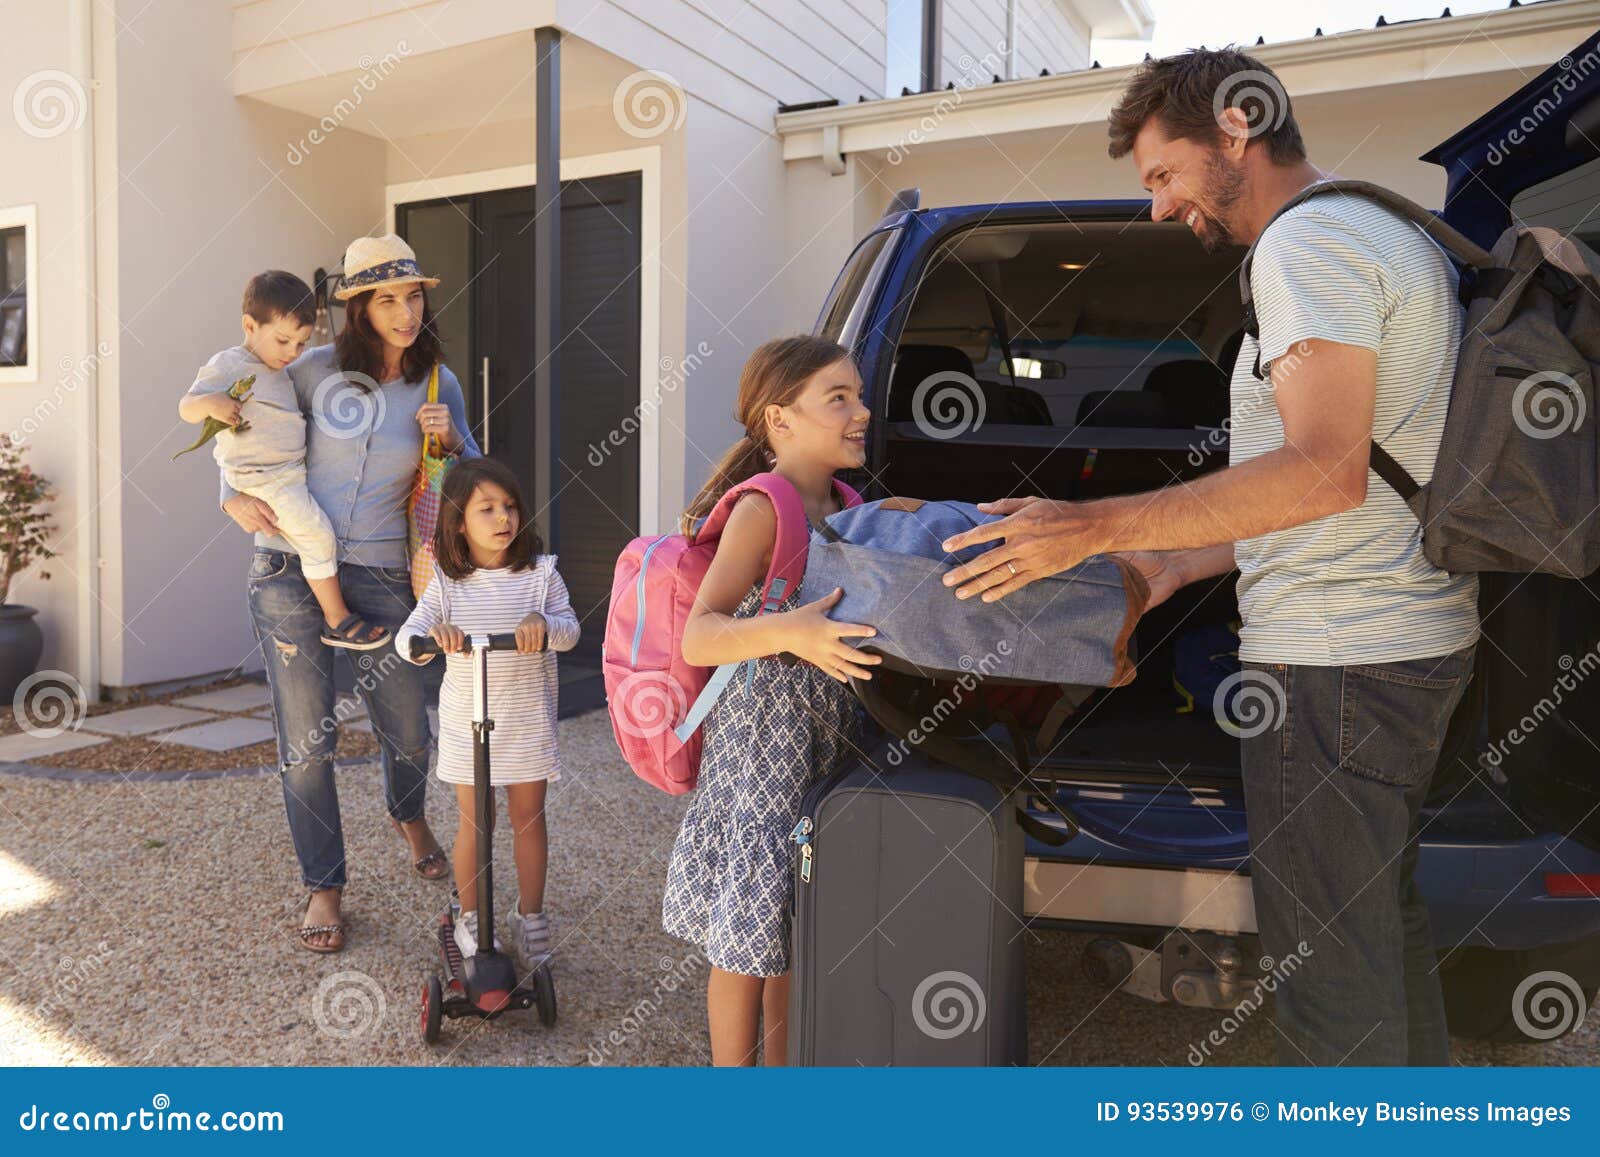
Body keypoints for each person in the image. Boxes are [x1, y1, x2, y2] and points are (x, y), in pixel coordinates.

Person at [938, 48, 1478, 1065]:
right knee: (1377, 932)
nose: (1155, 207)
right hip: (1397, 642)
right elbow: (1327, 489)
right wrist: (1163, 569)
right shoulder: (1380, 227)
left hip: (1337, 662)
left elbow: (1323, 471)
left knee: (1328, 984)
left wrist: (1094, 525)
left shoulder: (1303, 246)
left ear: (1235, 129)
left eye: (1161, 175)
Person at [224, 234, 481, 953]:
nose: (406, 311)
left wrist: (456, 441)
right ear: (357, 308)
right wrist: (227, 496)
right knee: (308, 740)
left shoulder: (439, 383)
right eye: (387, 299)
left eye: (414, 295)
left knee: (408, 726)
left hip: (385, 574)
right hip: (288, 568)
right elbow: (243, 436)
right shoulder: (304, 371)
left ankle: (409, 814)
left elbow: (482, 482)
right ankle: (325, 885)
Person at [660, 335, 883, 1066]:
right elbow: (700, 636)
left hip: (826, 739)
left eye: (859, 394)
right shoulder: (767, 507)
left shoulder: (852, 504)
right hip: (763, 746)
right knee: (745, 932)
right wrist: (795, 631)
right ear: (780, 420)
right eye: (839, 398)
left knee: (793, 921)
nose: (862, 411)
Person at [395, 457, 579, 976]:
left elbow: (571, 631)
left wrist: (542, 625)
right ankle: (472, 919)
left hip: (525, 720)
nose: (503, 518)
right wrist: (434, 641)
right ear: (458, 521)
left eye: (510, 506)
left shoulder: (541, 576)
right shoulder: (449, 584)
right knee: (476, 822)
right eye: (487, 508)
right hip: (465, 722)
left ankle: (531, 917)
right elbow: (408, 638)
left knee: (528, 818)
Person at [182, 271, 391, 651]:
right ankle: (338, 618)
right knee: (317, 536)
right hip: (266, 478)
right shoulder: (229, 364)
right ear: (249, 325)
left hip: (289, 473)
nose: (292, 352)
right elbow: (187, 407)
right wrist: (212, 404)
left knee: (311, 536)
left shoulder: (279, 367)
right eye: (283, 340)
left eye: (301, 343)